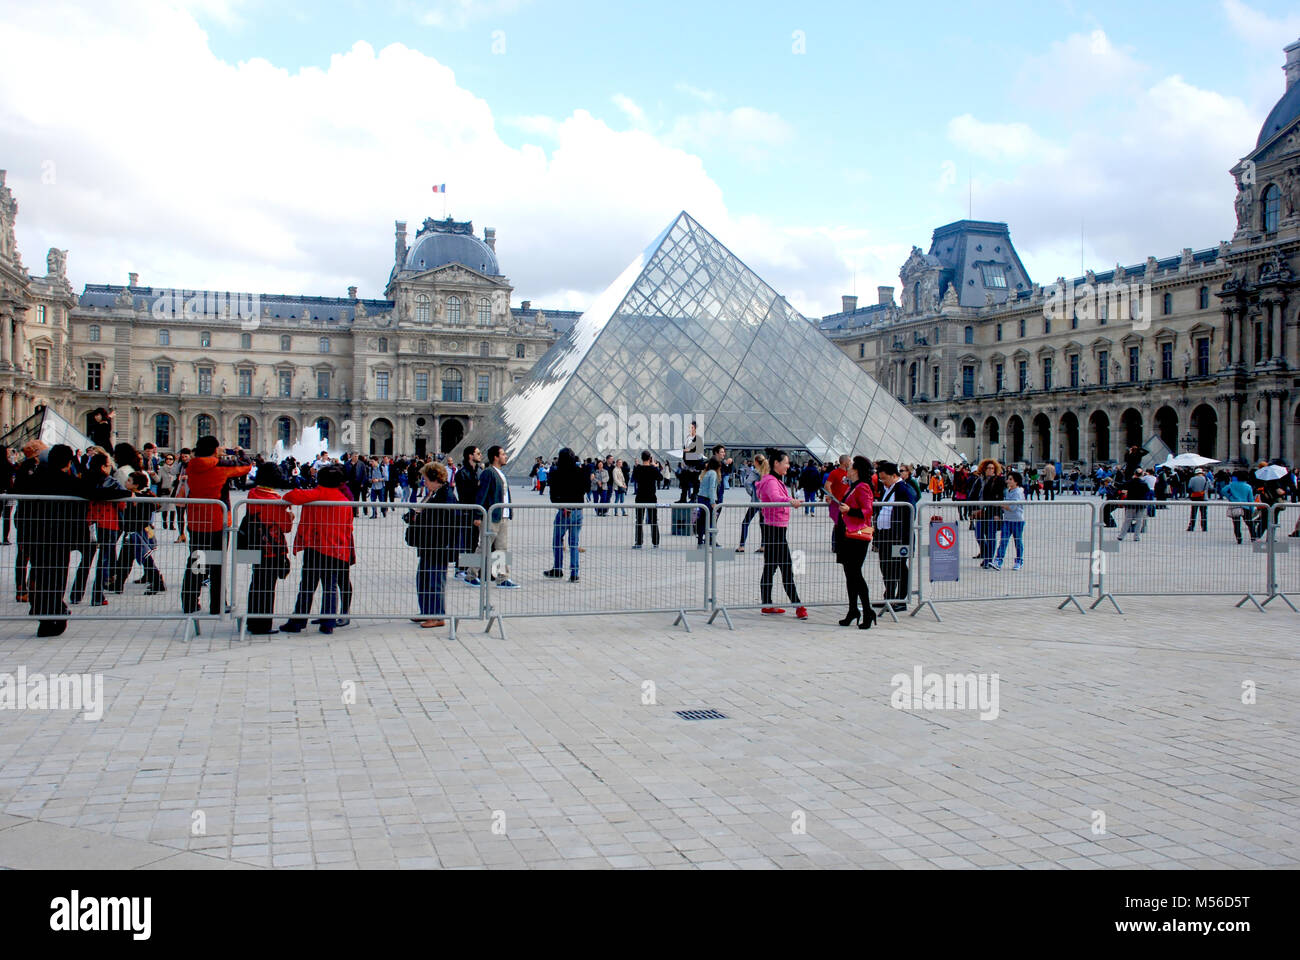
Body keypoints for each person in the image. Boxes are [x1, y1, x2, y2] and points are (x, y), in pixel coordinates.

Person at [180, 437, 253, 616]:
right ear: (214, 449)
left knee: (197, 559)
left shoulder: (191, 465)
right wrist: (237, 452)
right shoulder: (220, 466)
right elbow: (247, 465)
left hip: (196, 519)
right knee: (217, 564)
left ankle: (189, 602)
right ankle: (218, 605)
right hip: (217, 520)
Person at [280, 466, 354, 634]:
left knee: (307, 585)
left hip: (316, 546)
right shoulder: (344, 500)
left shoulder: (316, 494)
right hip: (336, 548)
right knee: (330, 586)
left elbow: (290, 496)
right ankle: (328, 623)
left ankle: (298, 621)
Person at [404, 461, 461, 628]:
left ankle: (437, 616)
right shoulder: (433, 493)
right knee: (423, 579)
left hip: (438, 545)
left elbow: (445, 521)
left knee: (435, 580)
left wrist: (420, 517)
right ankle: (427, 612)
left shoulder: (446, 495)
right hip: (428, 544)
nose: (424, 482)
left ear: (435, 478)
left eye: (426, 479)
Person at [241, 464, 294, 634]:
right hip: (271, 548)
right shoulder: (274, 500)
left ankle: (252, 620)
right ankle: (262, 625)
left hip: (254, 543)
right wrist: (289, 516)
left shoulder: (253, 493)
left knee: (256, 582)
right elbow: (285, 527)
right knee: (267, 586)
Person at [755, 450, 806, 619]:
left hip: (776, 528)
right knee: (784, 567)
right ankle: (797, 605)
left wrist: (791, 501)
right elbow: (775, 497)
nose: (788, 465)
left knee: (771, 567)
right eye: (786, 462)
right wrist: (790, 501)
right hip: (774, 529)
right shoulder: (770, 481)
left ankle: (767, 603)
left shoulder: (775, 479)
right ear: (776, 464)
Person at [827, 455, 876, 629]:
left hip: (857, 535)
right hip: (847, 534)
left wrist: (850, 510)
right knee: (850, 574)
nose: (848, 467)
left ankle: (868, 611)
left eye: (851, 465)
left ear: (856, 470)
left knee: (855, 574)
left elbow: (868, 510)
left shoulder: (862, 487)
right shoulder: (853, 486)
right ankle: (853, 609)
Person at [475, 445, 519, 588]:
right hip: (492, 516)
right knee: (483, 547)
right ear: (496, 457)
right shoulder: (489, 473)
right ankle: (470, 574)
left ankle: (503, 577)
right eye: (503, 454)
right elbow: (481, 494)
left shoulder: (500, 473)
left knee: (502, 548)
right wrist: (478, 515)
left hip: (503, 515)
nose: (505, 456)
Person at [874, 461, 917, 609]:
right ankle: (889, 596)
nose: (883, 482)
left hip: (898, 536)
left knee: (898, 567)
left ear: (894, 475)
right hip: (886, 534)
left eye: (884, 478)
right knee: (886, 566)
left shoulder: (904, 490)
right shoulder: (890, 488)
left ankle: (901, 599)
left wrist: (902, 536)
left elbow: (910, 513)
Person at [544, 447, 585, 581]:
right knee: (574, 543)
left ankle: (557, 569)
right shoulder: (580, 472)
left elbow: (553, 496)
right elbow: (586, 489)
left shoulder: (556, 473)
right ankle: (574, 573)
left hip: (564, 511)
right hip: (578, 511)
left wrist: (562, 506)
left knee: (557, 540)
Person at [454, 445, 482, 583]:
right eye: (477, 453)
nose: (480, 455)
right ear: (470, 455)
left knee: (474, 542)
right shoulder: (461, 473)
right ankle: (460, 569)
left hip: (477, 511)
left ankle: (469, 568)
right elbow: (465, 494)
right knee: (465, 541)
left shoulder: (479, 471)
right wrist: (476, 486)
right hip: (467, 511)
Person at [992, 470, 1026, 571]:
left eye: (1010, 479)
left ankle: (1019, 560)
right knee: (1003, 541)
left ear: (1016, 482)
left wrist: (1001, 505)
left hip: (1017, 520)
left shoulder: (1018, 492)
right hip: (1007, 520)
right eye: (1008, 479)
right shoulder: (1008, 491)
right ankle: (998, 560)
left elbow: (1012, 507)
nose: (1008, 481)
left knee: (1018, 541)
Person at [631, 449, 662, 549]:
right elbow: (660, 478)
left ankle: (639, 542)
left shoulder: (638, 469)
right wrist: (655, 466)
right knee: (653, 520)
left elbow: (634, 478)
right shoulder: (653, 469)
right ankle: (656, 542)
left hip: (640, 497)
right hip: (651, 497)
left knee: (639, 520)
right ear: (650, 458)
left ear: (641, 458)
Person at [1117, 469, 1151, 542]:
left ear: (1134, 474)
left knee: (1127, 520)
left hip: (1131, 503)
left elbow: (1121, 486)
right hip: (1141, 504)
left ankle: (1121, 536)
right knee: (1139, 521)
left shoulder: (1130, 482)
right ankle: (1136, 536)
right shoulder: (1144, 483)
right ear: (1142, 475)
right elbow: (1147, 491)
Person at [696, 456, 722, 546]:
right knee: (711, 520)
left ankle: (700, 539)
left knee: (702, 520)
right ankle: (711, 539)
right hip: (707, 499)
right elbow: (712, 488)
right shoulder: (713, 473)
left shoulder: (706, 472)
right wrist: (713, 502)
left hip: (701, 497)